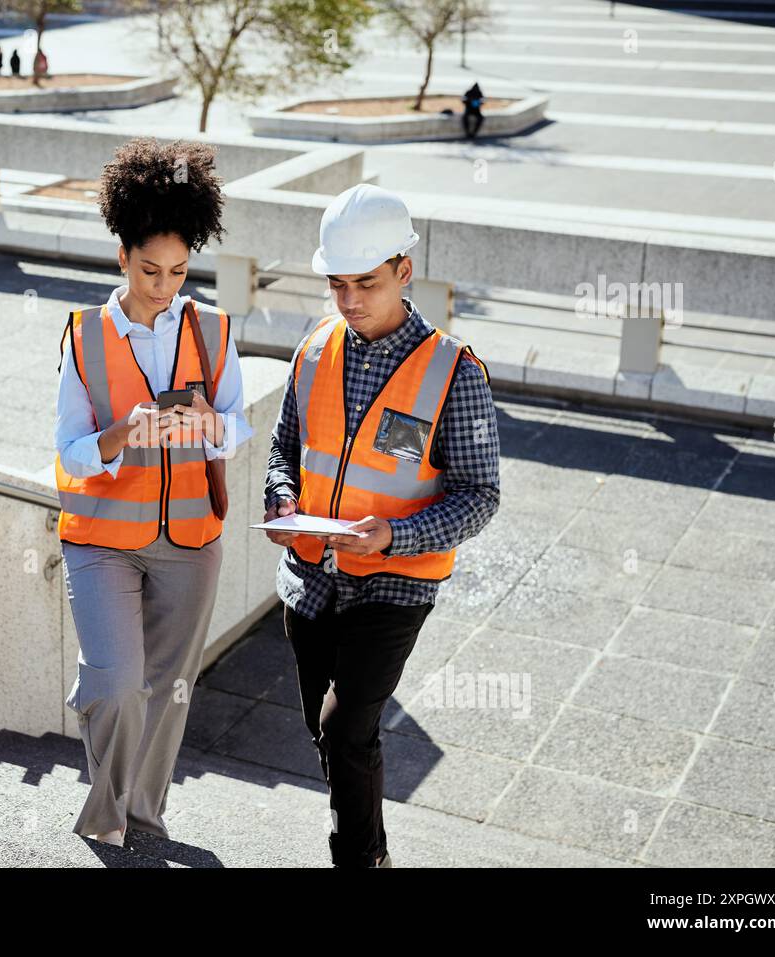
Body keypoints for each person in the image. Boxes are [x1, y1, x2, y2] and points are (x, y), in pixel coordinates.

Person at [262, 183, 501, 868]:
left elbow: (480, 494)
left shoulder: (455, 372)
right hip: (309, 579)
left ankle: (359, 861)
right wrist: (282, 501)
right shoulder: (313, 351)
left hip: (394, 583)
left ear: (405, 270)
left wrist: (394, 536)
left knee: (345, 725)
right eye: (336, 283)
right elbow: (285, 451)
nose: (348, 300)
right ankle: (373, 851)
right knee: (328, 731)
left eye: (365, 282)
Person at [54, 137, 254, 847]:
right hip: (102, 540)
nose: (164, 285)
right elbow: (70, 450)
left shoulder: (214, 330)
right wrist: (120, 435)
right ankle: (106, 818)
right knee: (114, 685)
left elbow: (238, 426)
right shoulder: (83, 337)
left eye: (177, 270)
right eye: (148, 269)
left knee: (168, 694)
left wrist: (212, 424)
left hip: (191, 542)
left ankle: (142, 818)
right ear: (121, 257)